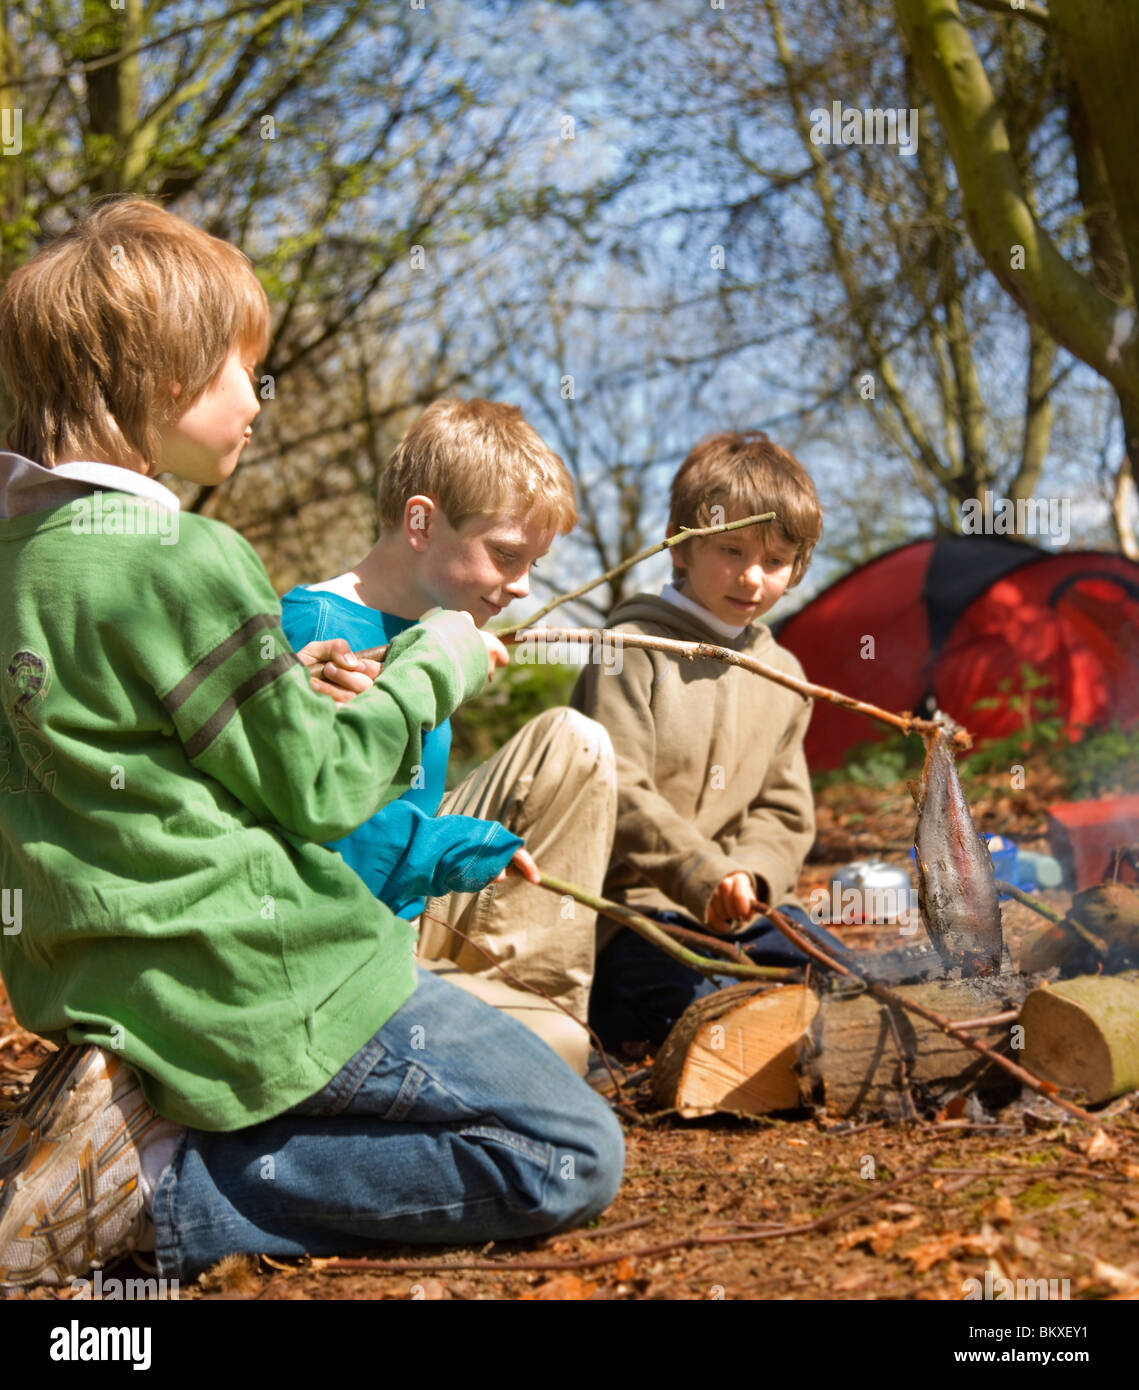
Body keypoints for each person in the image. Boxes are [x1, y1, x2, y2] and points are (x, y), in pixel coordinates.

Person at [0, 197, 623, 1289]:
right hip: (267, 979)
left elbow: (130, 762)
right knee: (569, 1149)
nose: (256, 399)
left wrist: (289, 687)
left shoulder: (21, 563)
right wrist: (434, 659)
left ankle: (134, 1135)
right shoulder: (183, 555)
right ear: (159, 377)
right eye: (241, 368)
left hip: (110, 986)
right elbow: (321, 791)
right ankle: (158, 1189)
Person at [279, 398, 618, 1075]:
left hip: (408, 896)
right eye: (504, 555)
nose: (520, 586)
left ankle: (531, 1008)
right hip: (336, 927)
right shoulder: (320, 632)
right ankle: (509, 1049)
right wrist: (466, 845)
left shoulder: (439, 627)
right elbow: (326, 844)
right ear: (421, 521)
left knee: (572, 739)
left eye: (533, 564)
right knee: (547, 1052)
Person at [571, 430, 845, 1050]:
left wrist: (747, 876)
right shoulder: (631, 650)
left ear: (796, 568)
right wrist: (703, 874)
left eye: (775, 562)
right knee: (706, 1015)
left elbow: (783, 809)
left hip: (749, 913)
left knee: (846, 984)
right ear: (681, 546)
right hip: (637, 916)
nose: (752, 578)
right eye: (731, 550)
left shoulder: (784, 676)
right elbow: (620, 789)